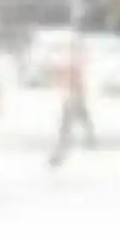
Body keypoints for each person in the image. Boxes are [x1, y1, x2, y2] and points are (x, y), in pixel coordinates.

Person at [49, 38, 96, 167]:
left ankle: (61, 152)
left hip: (73, 95)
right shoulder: (71, 62)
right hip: (73, 95)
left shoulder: (73, 63)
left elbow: (65, 76)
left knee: (72, 121)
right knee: (79, 118)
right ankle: (88, 138)